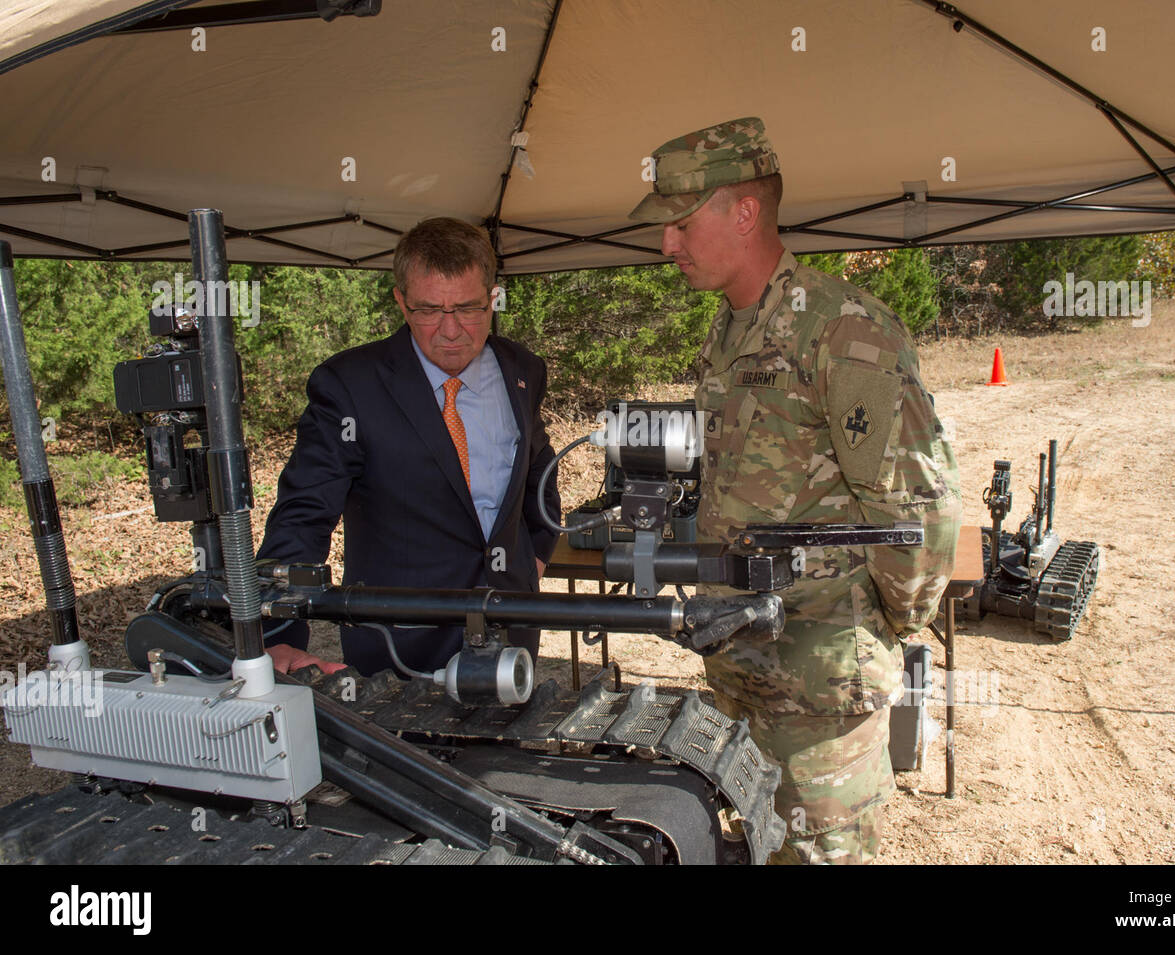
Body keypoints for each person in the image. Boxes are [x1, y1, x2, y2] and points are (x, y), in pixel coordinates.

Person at [629, 117, 961, 864]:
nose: (666, 246)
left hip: (818, 692)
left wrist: (883, 628)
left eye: (681, 224)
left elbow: (920, 512)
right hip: (742, 671)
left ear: (743, 212)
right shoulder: (728, 330)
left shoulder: (844, 333)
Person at [256, 217, 560, 677]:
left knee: (501, 748)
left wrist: (535, 553)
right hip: (397, 639)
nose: (451, 330)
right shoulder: (350, 385)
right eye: (428, 310)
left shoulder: (523, 369)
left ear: (493, 296)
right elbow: (305, 512)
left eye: (469, 308)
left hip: (509, 628)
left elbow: (538, 466)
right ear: (401, 301)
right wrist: (277, 636)